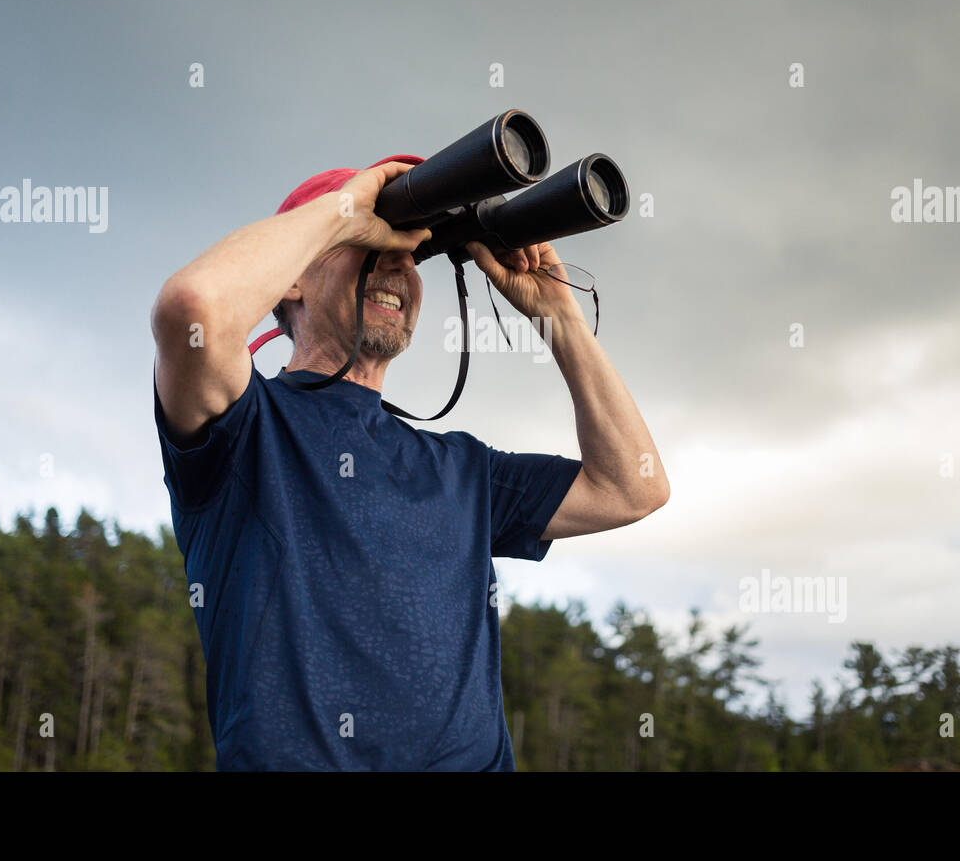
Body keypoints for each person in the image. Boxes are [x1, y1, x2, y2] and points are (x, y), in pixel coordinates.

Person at [150, 155, 669, 770]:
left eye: (412, 254)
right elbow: (193, 308)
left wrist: (560, 320)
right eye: (370, 245)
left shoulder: (463, 470)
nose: (398, 263)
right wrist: (348, 210)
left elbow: (633, 488)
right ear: (290, 280)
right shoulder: (244, 433)